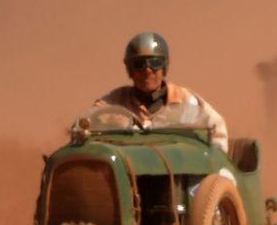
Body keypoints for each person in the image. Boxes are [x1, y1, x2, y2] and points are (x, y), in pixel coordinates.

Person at [96, 31, 229, 151]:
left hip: (177, 174)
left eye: (155, 63)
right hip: (128, 173)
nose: (147, 70)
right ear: (130, 69)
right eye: (139, 64)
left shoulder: (187, 102)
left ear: (164, 67)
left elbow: (217, 131)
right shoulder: (113, 103)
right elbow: (84, 128)